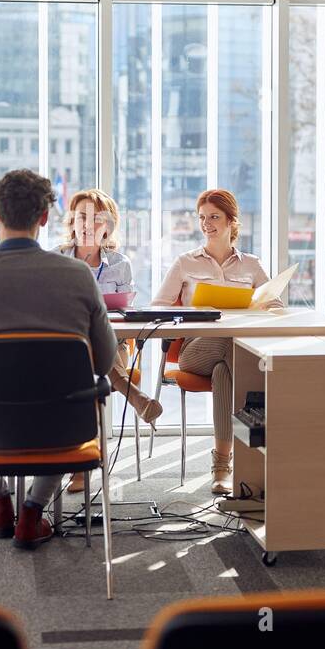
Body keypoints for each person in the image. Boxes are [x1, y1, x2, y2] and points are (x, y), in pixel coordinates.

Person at [0, 168, 116, 549]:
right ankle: (33, 511)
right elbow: (105, 361)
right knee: (80, 400)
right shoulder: (79, 277)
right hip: (63, 429)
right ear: (45, 218)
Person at [152, 188, 282, 495]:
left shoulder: (251, 265)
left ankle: (222, 467)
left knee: (226, 371)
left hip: (231, 354)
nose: (207, 224)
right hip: (195, 351)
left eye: (214, 217)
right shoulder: (185, 262)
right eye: (202, 218)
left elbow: (275, 306)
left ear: (231, 221)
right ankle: (265, 433)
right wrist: (188, 311)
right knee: (232, 347)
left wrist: (262, 306)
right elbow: (157, 306)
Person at [55, 187, 162, 493]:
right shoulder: (56, 260)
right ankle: (134, 396)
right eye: (82, 217)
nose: (89, 224)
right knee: (85, 357)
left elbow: (127, 313)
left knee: (93, 360)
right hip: (65, 348)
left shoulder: (120, 264)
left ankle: (79, 469)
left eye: (97, 218)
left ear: (109, 225)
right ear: (72, 222)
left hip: (114, 345)